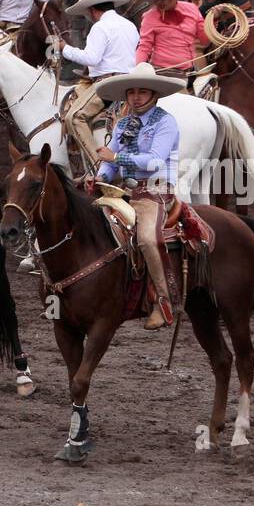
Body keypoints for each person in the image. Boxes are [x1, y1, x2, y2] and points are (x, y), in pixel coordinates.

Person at [92, 63, 186, 330]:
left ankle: (164, 302)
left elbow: (155, 161)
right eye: (132, 91)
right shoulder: (122, 124)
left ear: (154, 94)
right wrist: (101, 175)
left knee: (146, 238)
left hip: (155, 191)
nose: (136, 96)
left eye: (142, 91)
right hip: (123, 190)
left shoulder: (165, 122)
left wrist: (116, 158)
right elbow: (108, 161)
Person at [56, 0, 139, 173]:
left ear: (93, 10)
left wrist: (64, 48)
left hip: (108, 84)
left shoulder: (100, 27)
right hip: (131, 81)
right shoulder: (130, 25)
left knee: (74, 117)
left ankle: (99, 166)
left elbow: (91, 58)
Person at [131, 0, 205, 78]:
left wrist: (211, 22)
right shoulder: (150, 17)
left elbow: (205, 40)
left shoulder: (192, 9)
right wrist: (137, 70)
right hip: (163, 73)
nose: (159, 2)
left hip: (191, 72)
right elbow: (144, 47)